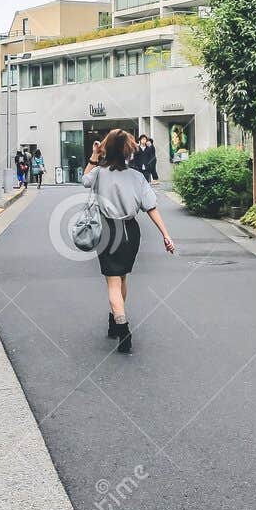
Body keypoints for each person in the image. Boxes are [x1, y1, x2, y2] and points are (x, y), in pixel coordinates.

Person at [83, 129, 175, 354]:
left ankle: (122, 328)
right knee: (122, 277)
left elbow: (85, 180)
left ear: (106, 148)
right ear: (128, 150)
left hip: (108, 231)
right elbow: (151, 207)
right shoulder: (136, 177)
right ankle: (115, 319)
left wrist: (94, 156)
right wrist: (165, 234)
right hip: (130, 231)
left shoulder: (99, 173)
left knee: (113, 282)